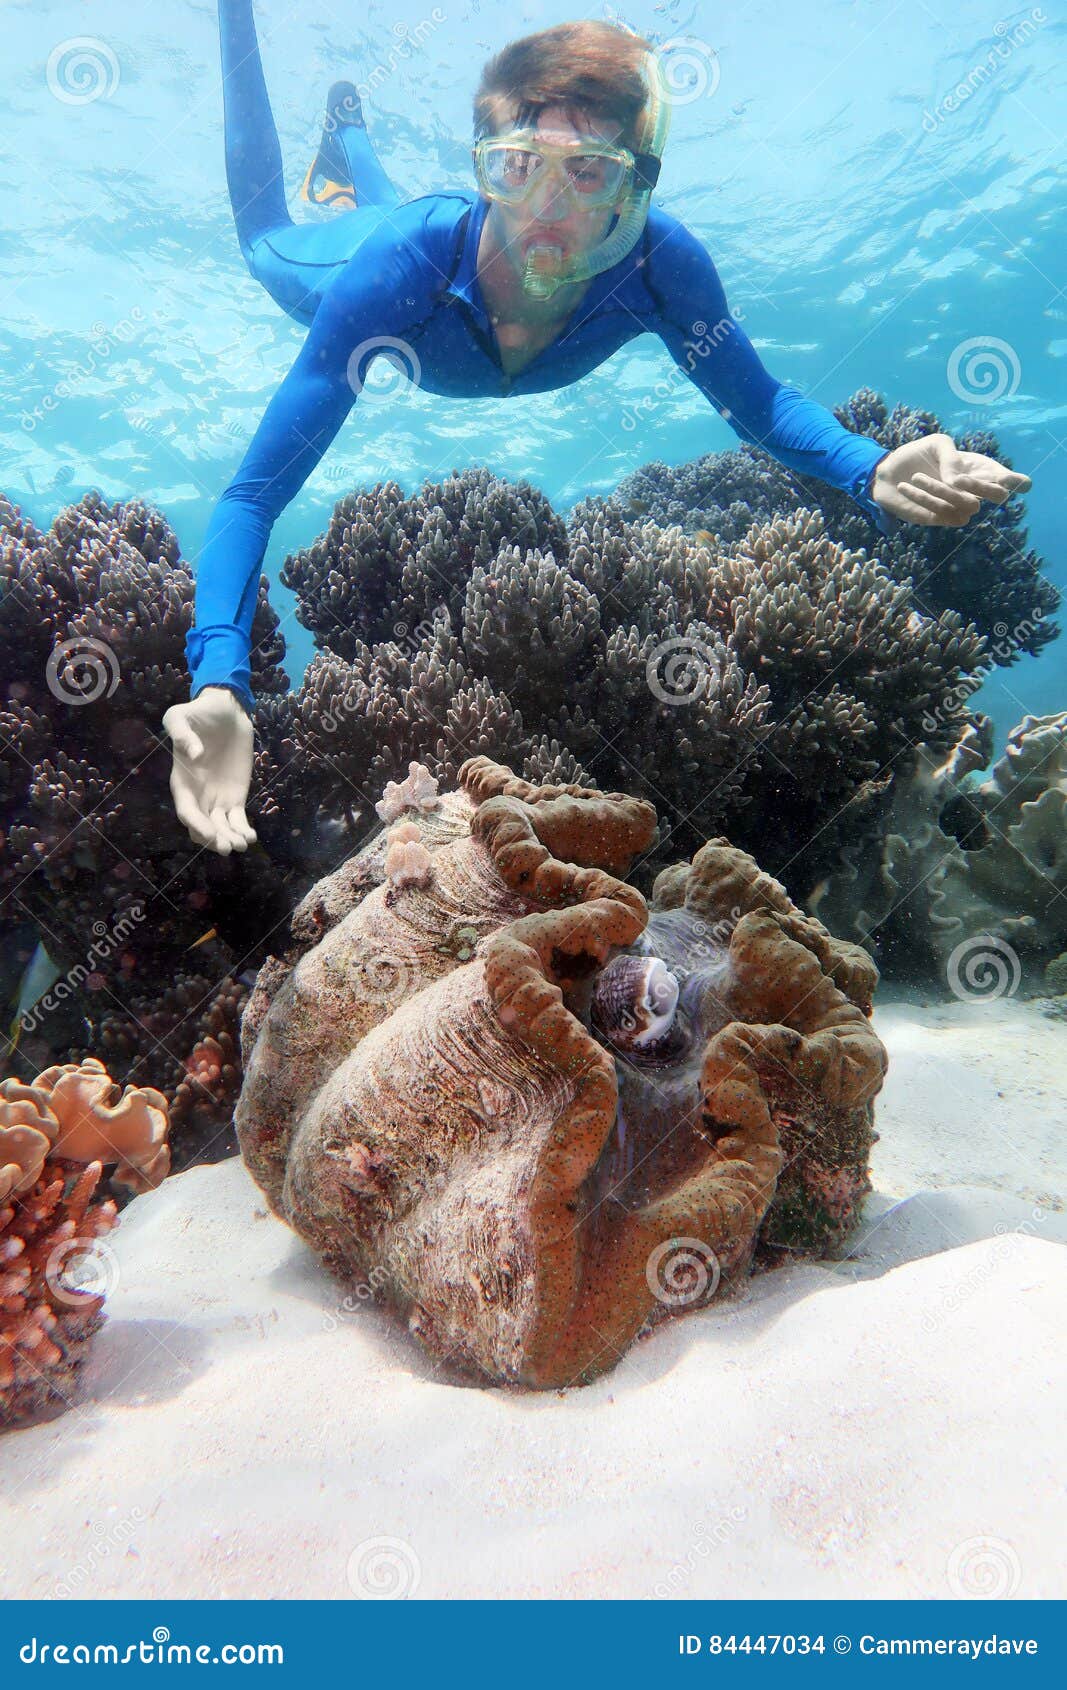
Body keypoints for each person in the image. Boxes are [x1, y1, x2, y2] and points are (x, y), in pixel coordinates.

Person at [164, 0, 1032, 855]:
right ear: (483, 169)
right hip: (372, 249)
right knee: (262, 241)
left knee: (390, 206)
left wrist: (866, 466)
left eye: (586, 173)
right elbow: (252, 496)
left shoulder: (660, 264)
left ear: (637, 184)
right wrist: (218, 685)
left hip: (427, 250)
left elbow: (759, 403)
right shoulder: (397, 267)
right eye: (516, 167)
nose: (543, 207)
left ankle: (349, 132)